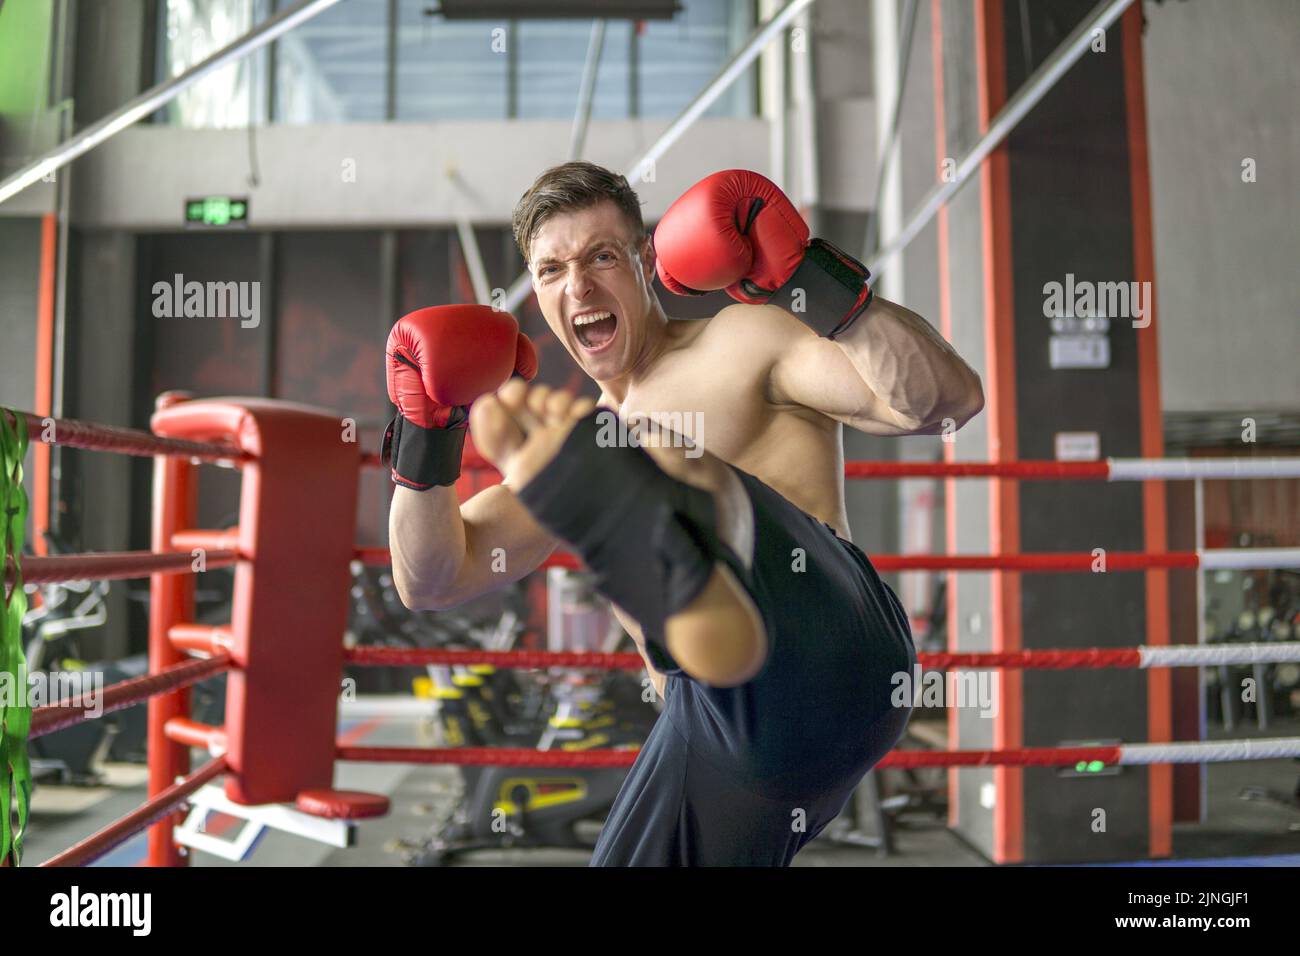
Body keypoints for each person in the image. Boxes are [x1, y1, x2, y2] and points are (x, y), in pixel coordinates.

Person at [383, 162, 984, 865]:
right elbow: (431, 579)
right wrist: (425, 435)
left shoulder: (743, 339)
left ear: (646, 261)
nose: (578, 286)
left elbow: (945, 401)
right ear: (538, 296)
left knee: (628, 459)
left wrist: (813, 283)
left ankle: (701, 518)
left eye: (601, 257)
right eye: (551, 271)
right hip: (725, 733)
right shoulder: (574, 446)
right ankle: (693, 557)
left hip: (823, 640)